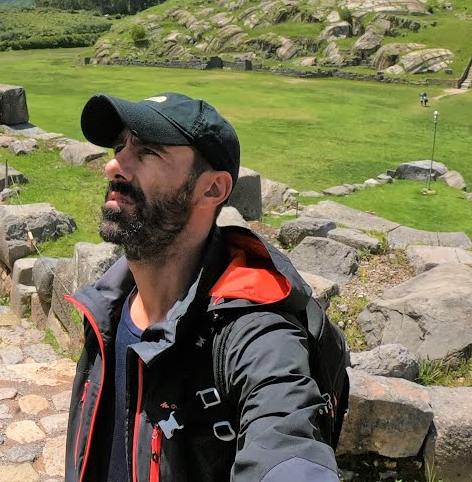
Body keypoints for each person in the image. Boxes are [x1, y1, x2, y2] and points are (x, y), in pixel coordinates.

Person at [64, 92, 340, 482]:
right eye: (119, 147)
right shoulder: (106, 305)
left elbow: (284, 433)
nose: (113, 166)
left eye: (148, 152)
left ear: (211, 189)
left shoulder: (254, 335)